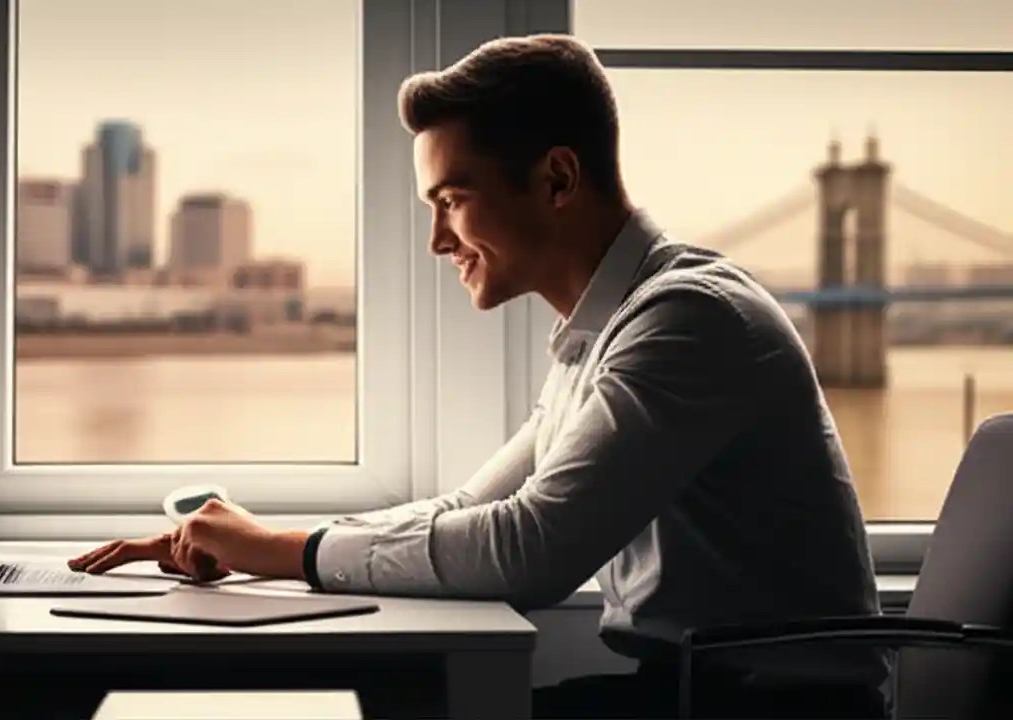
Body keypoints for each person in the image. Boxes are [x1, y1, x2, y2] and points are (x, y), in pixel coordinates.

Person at [69, 34, 887, 718]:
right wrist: (258, 541)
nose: (438, 240)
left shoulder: (686, 323)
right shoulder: (607, 330)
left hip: (776, 709)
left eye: (452, 200)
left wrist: (282, 552)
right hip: (690, 694)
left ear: (557, 180)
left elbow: (527, 552)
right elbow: (470, 509)